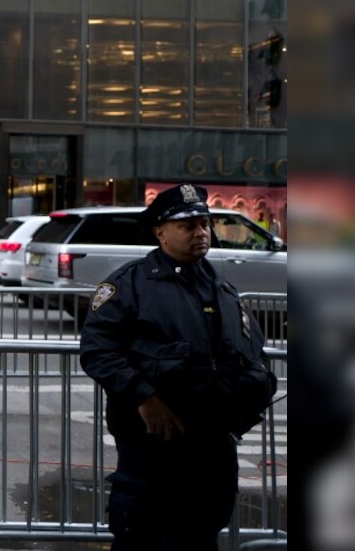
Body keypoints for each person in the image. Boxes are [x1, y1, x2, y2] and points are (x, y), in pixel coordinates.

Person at [80, 183, 277, 551]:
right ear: (160, 231)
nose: (201, 232)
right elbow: (97, 350)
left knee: (200, 537)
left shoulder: (223, 290)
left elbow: (252, 356)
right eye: (188, 225)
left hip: (211, 451)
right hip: (153, 452)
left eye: (204, 224)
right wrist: (144, 396)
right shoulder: (129, 286)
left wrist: (245, 406)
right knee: (144, 538)